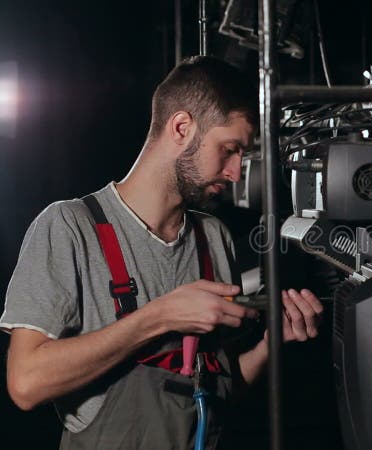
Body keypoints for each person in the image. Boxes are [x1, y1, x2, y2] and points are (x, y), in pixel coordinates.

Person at [1, 56, 323, 449]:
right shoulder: (71, 227)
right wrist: (159, 316)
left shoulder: (214, 238)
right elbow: (26, 383)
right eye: (229, 149)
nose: (236, 172)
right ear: (182, 128)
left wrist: (270, 347)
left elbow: (215, 389)